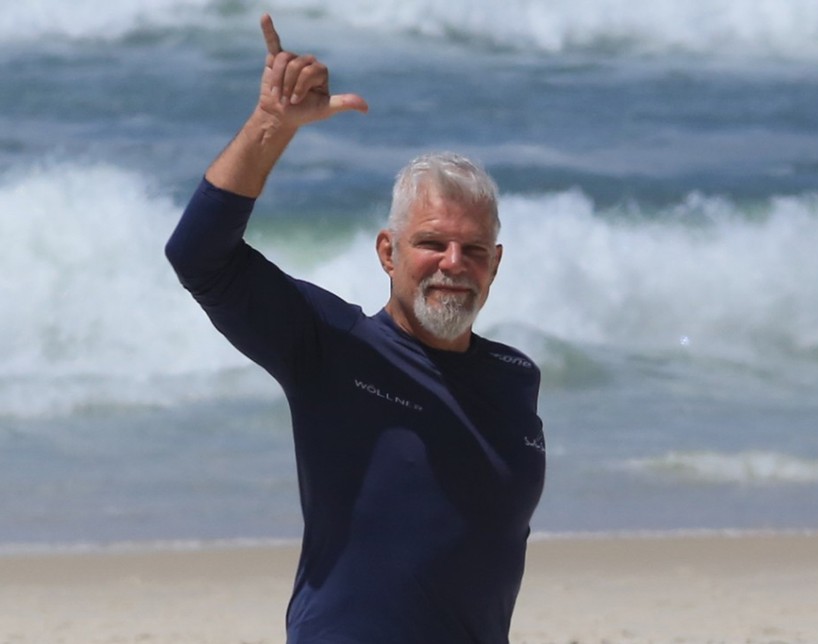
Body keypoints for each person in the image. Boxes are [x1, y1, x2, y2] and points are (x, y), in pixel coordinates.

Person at [165, 14, 545, 644]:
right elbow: (199, 256)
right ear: (388, 252)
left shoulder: (514, 377)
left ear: (495, 264)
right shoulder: (333, 348)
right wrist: (272, 124)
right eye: (432, 243)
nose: (454, 263)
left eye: (473, 249)